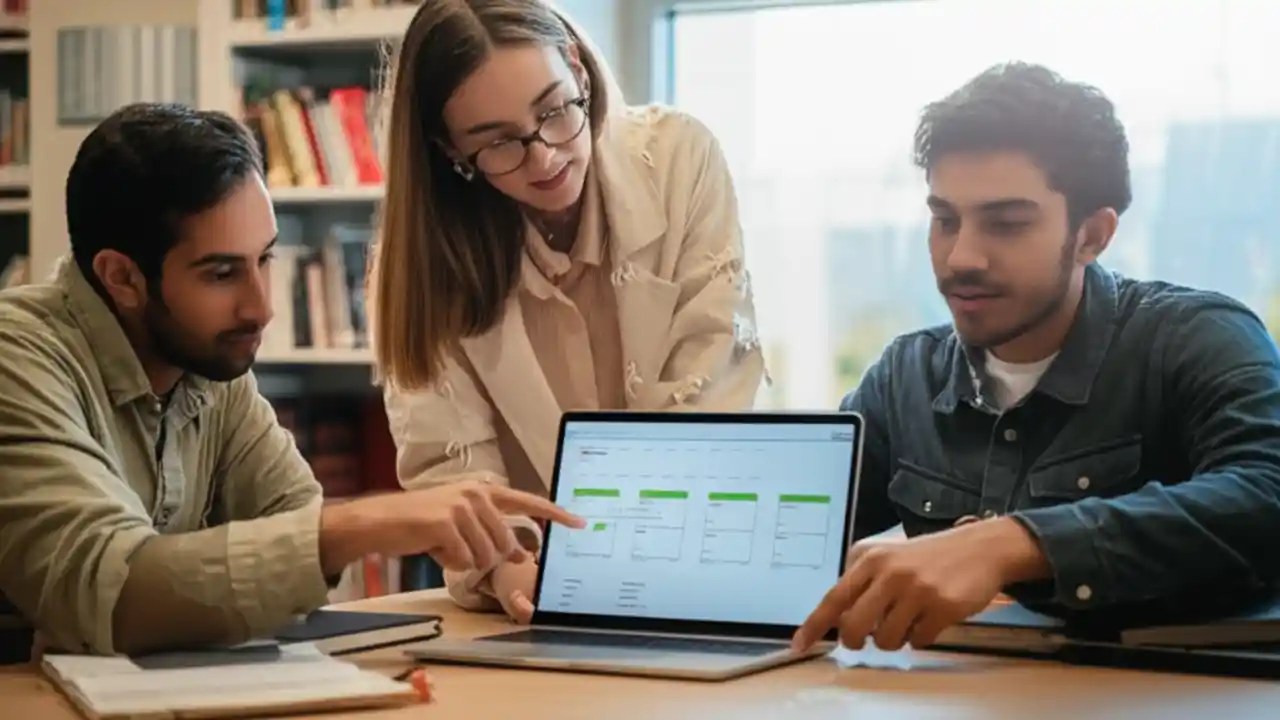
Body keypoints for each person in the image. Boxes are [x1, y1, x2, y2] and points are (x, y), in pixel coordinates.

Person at [0, 103, 583, 658]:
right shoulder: (17, 357)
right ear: (122, 278)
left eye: (266, 260)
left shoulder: (208, 362)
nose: (261, 309)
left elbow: (292, 529)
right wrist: (368, 522)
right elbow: (112, 595)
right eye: (223, 273)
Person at [792, 62, 1280, 654]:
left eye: (1007, 224)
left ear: (1093, 236)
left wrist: (1010, 545)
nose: (960, 257)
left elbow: (1266, 492)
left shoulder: (1194, 337)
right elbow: (795, 541)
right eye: (944, 220)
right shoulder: (905, 376)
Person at [371, 0, 765, 621]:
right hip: (529, 604)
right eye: (499, 142)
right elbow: (453, 471)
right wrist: (506, 565)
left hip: (694, 572)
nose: (546, 158)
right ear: (450, 149)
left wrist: (634, 561)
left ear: (579, 72)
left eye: (555, 111)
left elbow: (710, 387)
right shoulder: (427, 256)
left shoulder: (679, 159)